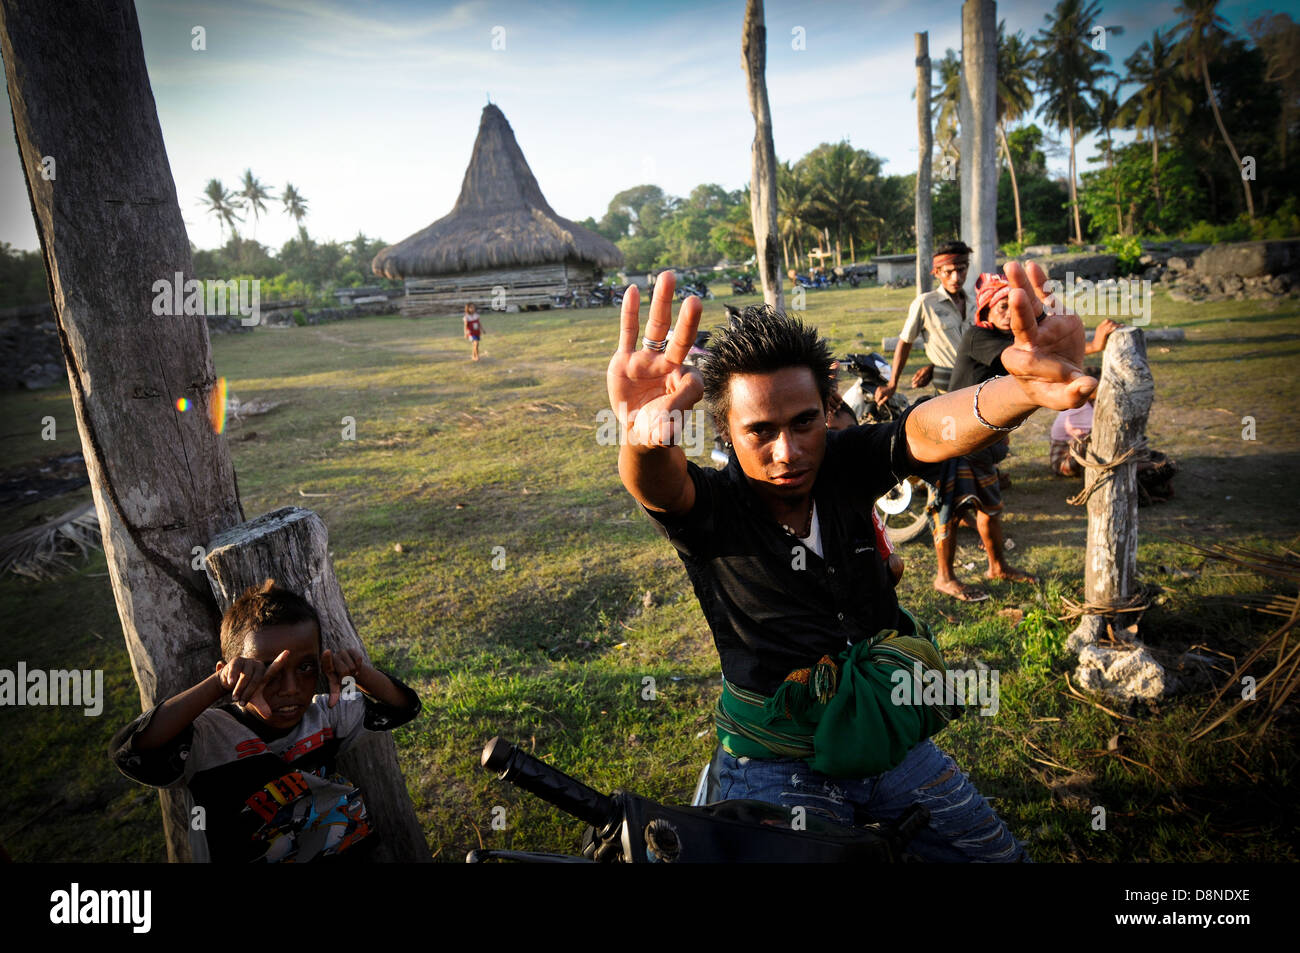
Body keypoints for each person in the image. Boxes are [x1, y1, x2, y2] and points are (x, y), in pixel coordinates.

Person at [607, 267, 1095, 861]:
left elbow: (924, 430)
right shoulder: (711, 507)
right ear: (726, 432)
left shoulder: (844, 463)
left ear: (828, 407)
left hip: (887, 734)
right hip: (772, 757)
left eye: (804, 423)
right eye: (759, 430)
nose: (787, 453)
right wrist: (640, 439)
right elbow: (658, 487)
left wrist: (1019, 391)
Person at [109, 579, 421, 862]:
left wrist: (360, 674)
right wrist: (217, 684)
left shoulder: (325, 714)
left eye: (305, 668)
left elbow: (403, 707)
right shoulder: (209, 737)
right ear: (230, 673)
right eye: (267, 671)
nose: (290, 689)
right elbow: (131, 751)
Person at [930, 272, 1039, 590]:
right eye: (1003, 306)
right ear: (987, 310)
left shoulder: (1008, 341)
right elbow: (1025, 364)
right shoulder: (979, 336)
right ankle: (945, 577)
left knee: (990, 507)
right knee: (949, 508)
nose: (1009, 313)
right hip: (955, 435)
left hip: (981, 439)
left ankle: (997, 566)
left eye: (1014, 307)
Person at [874, 240, 973, 403]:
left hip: (976, 385)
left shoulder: (974, 303)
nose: (956, 278)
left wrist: (932, 367)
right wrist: (892, 383)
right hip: (948, 389)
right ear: (937, 272)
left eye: (961, 270)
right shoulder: (926, 303)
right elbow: (905, 342)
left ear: (967, 268)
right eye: (949, 272)